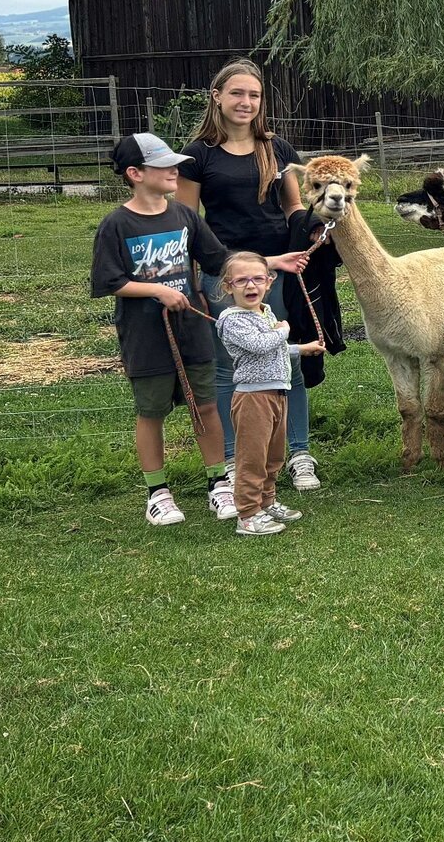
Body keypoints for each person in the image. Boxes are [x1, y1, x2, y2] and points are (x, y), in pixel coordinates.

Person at [174, 59, 318, 489]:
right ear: (217, 97)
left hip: (278, 271)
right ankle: (234, 457)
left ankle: (298, 452)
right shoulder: (197, 155)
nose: (246, 102)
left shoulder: (278, 149)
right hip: (225, 276)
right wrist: (196, 280)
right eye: (237, 93)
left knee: (285, 359)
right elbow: (187, 222)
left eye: (254, 95)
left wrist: (312, 229)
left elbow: (293, 208)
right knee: (229, 366)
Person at [91, 133, 235, 527]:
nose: (174, 171)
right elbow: (109, 281)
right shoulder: (116, 224)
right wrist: (156, 289)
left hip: (192, 328)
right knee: (152, 411)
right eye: (163, 165)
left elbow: (218, 259)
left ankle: (218, 483)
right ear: (135, 173)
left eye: (174, 164)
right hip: (145, 335)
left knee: (206, 404)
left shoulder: (184, 216)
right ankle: (158, 493)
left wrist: (269, 262)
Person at [215, 250, 324, 536]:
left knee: (273, 456)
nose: (250, 286)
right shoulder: (232, 319)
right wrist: (285, 330)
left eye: (257, 279)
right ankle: (248, 514)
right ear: (228, 286)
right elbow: (259, 345)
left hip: (277, 393)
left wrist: (301, 349)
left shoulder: (265, 313)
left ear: (269, 282)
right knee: (252, 458)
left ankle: (267, 501)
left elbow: (272, 349)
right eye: (241, 281)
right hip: (253, 398)